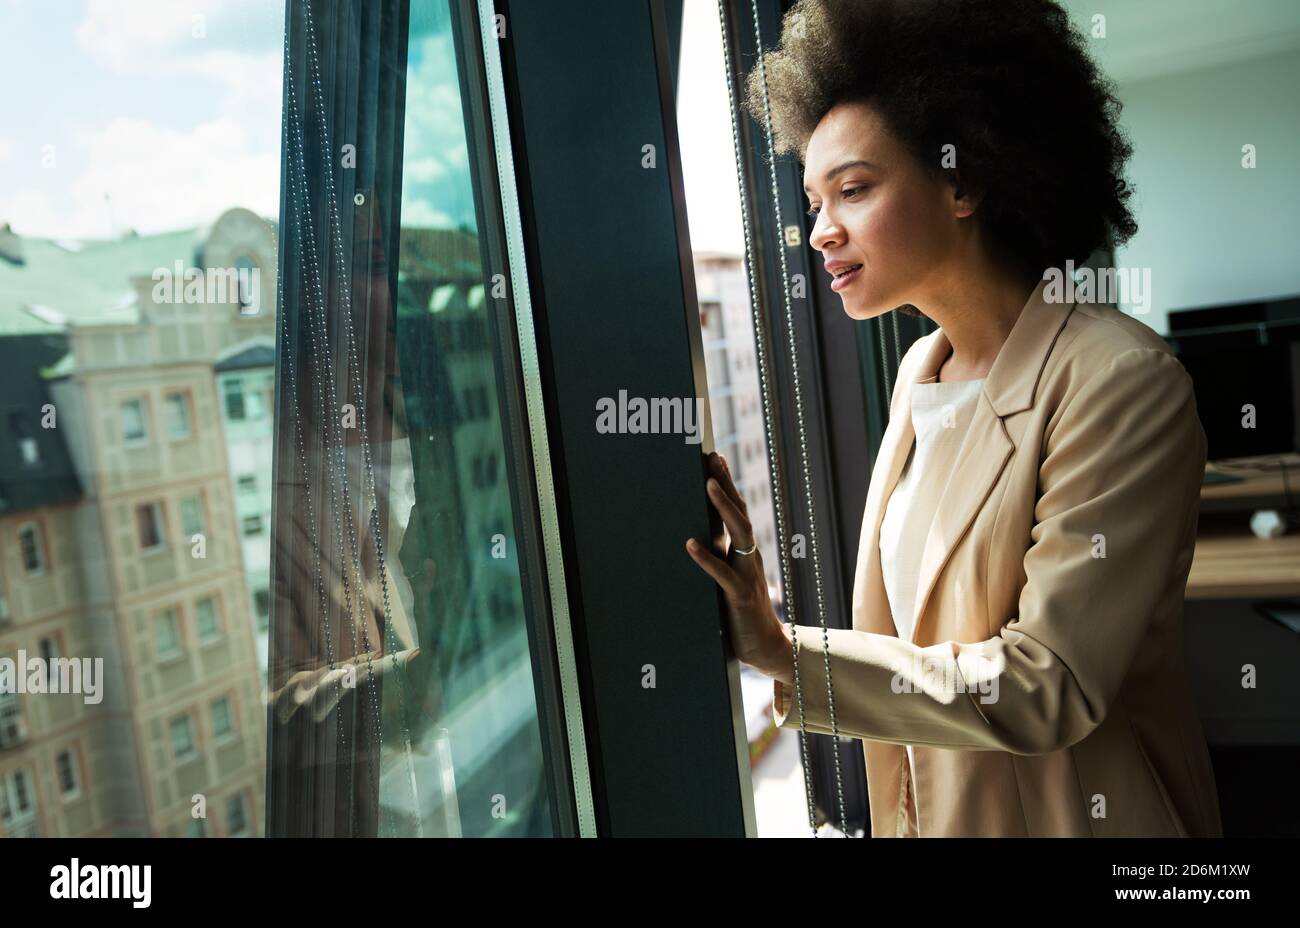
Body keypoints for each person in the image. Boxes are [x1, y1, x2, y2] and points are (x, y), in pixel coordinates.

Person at [685, 0, 1222, 837]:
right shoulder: (917, 375)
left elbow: (1049, 683)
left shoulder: (1122, 381)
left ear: (962, 179)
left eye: (853, 190)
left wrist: (793, 656)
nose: (821, 232)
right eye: (814, 200)